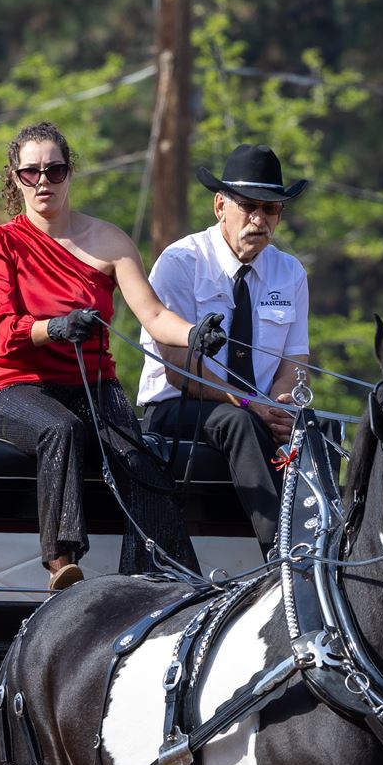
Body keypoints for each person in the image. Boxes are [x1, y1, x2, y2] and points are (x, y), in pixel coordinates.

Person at [0, 120, 226, 589]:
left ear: (71, 174)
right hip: (18, 389)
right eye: (31, 173)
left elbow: (153, 316)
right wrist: (55, 327)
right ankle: (62, 562)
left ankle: (158, 580)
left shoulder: (109, 241)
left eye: (54, 170)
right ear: (15, 178)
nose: (43, 181)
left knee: (143, 463)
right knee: (62, 430)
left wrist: (195, 334)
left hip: (94, 387)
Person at [137, 144, 311, 553]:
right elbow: (180, 369)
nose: (259, 219)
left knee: (321, 432)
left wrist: (284, 406)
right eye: (248, 206)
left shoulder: (290, 272)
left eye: (270, 210)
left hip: (259, 410)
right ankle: (284, 553)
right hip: (177, 408)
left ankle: (337, 550)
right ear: (220, 206)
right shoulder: (181, 261)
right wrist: (251, 405)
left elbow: (296, 362)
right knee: (239, 422)